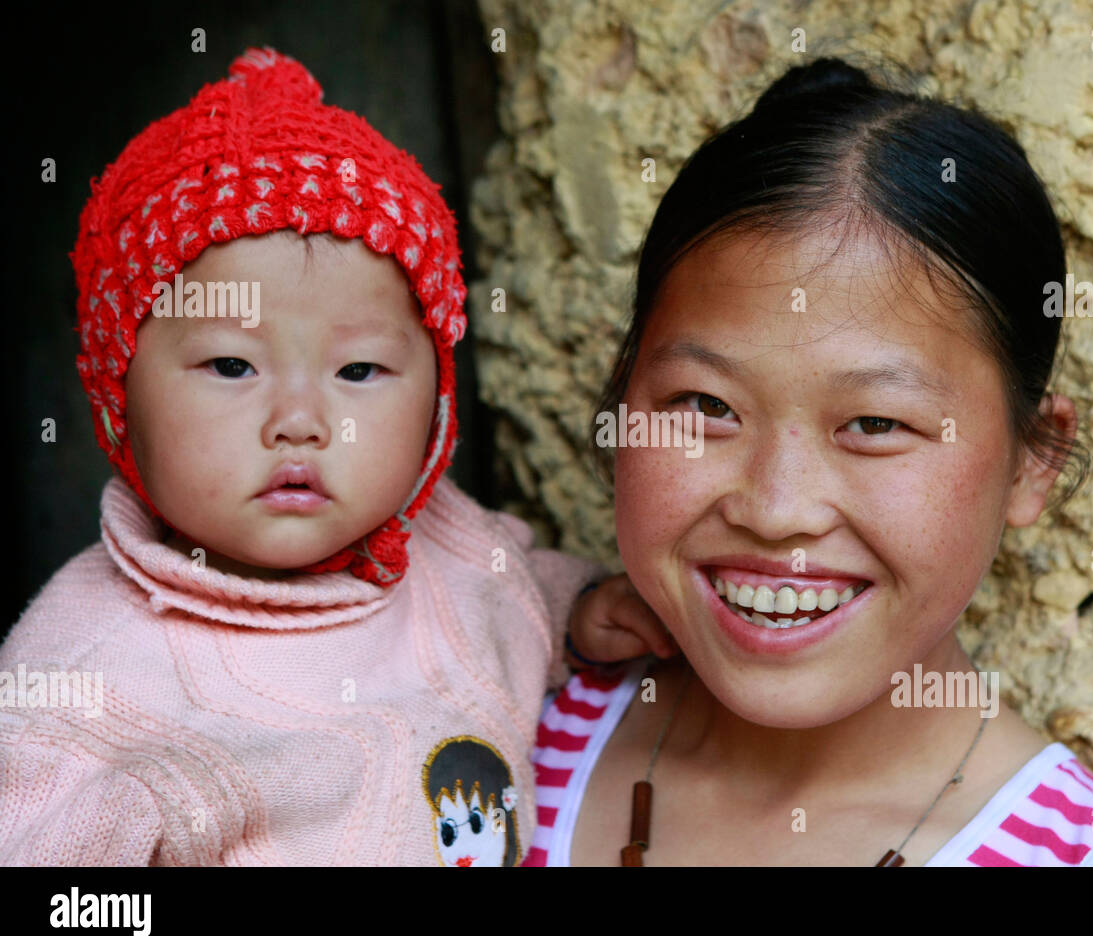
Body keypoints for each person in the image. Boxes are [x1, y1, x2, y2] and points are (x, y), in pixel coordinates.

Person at [0, 48, 669, 866]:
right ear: (118, 394)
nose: (299, 421)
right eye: (231, 366)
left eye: (359, 371)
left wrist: (580, 618)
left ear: (437, 398)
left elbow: (516, 590)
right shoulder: (85, 686)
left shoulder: (457, 553)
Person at [526, 57, 1093, 867]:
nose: (777, 509)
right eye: (706, 407)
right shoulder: (497, 735)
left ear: (1032, 459)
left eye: (876, 422)